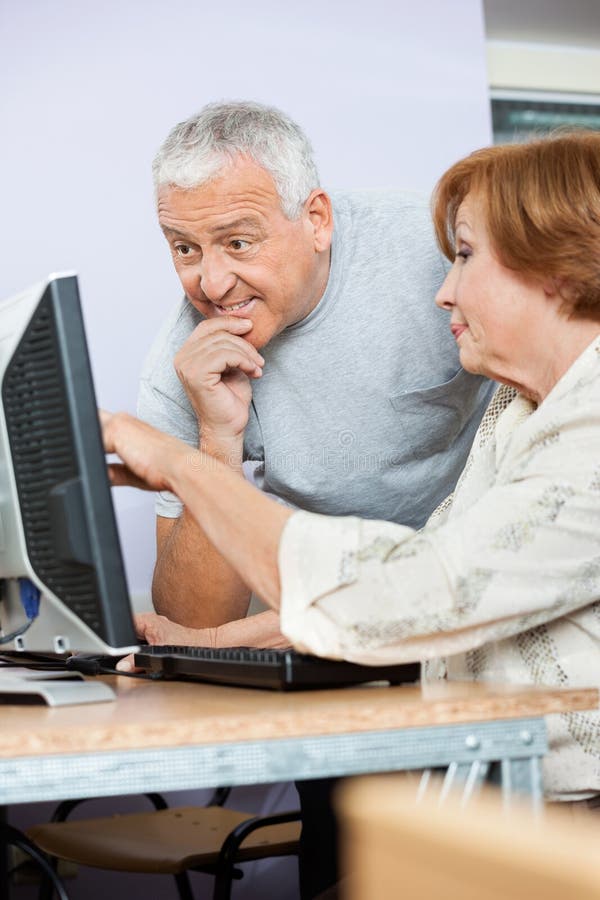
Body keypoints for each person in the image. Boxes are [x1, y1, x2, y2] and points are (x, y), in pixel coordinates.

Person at [105, 130, 600, 813]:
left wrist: (181, 467)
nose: (443, 291)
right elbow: (427, 571)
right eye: (184, 248)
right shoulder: (518, 410)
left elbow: (427, 590)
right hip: (490, 780)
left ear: (561, 272)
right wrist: (213, 641)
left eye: (464, 256)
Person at [137, 100, 493, 648]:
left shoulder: (442, 254)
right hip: (323, 620)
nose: (211, 283)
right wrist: (218, 440)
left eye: (238, 243)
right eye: (185, 248)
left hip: (481, 582)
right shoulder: (182, 370)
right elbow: (192, 624)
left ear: (316, 221)